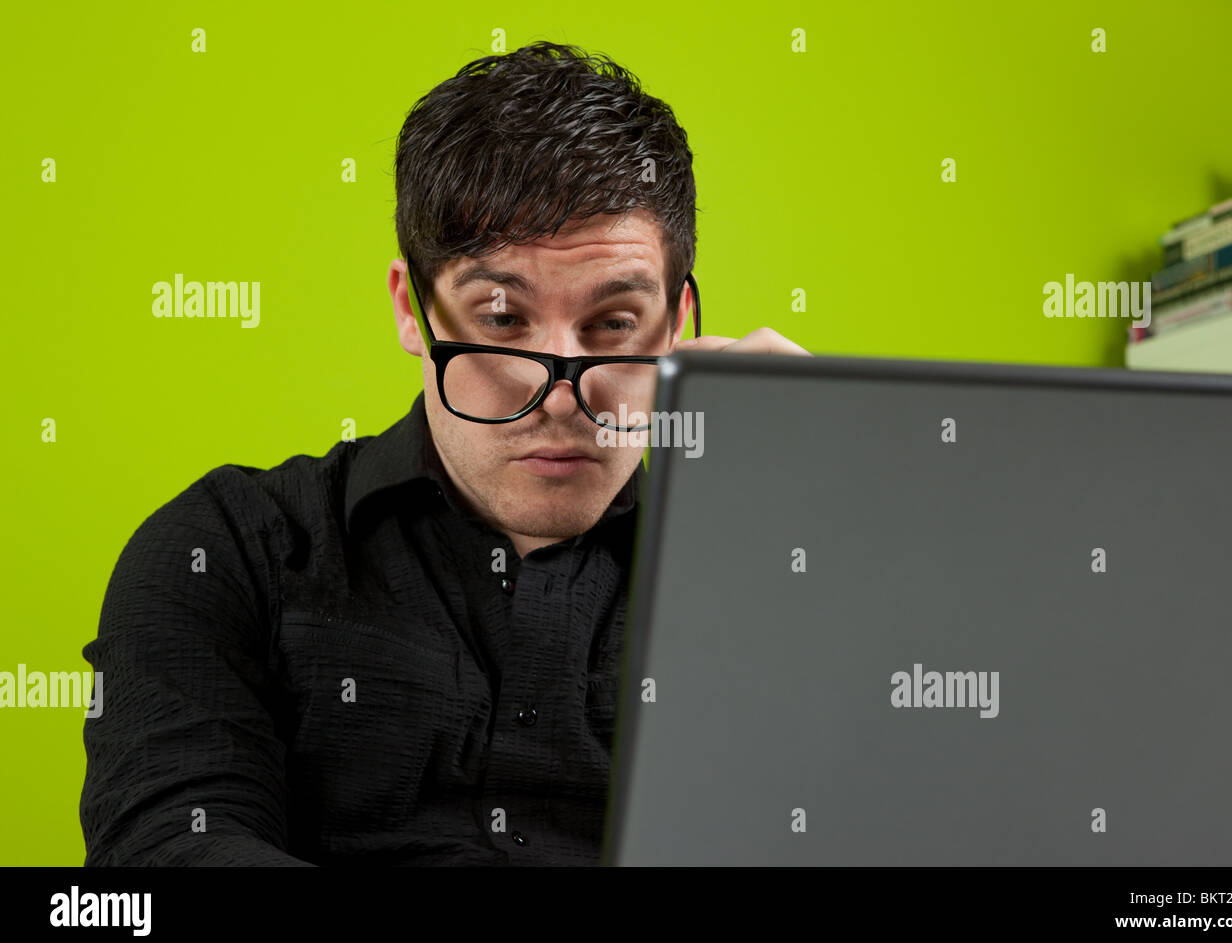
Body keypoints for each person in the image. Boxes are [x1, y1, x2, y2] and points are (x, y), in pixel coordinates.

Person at [80, 40, 808, 866]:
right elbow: (162, 852)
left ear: (676, 325)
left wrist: (851, 514)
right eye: (501, 320)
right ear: (411, 310)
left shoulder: (776, 574)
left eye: (611, 325)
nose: (564, 393)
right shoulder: (228, 551)